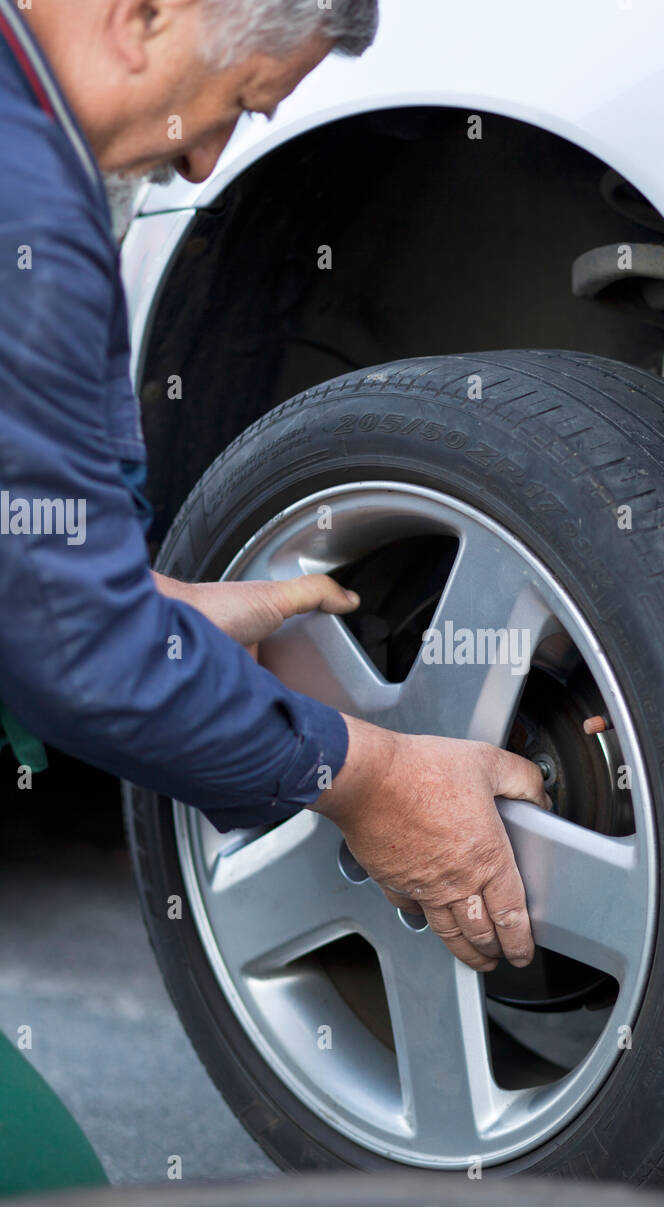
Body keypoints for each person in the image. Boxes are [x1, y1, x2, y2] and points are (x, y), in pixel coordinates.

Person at [0, 0, 549, 987]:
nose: (206, 165)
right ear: (145, 16)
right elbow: (71, 651)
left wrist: (145, 605)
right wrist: (372, 779)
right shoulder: (25, 208)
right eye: (238, 105)